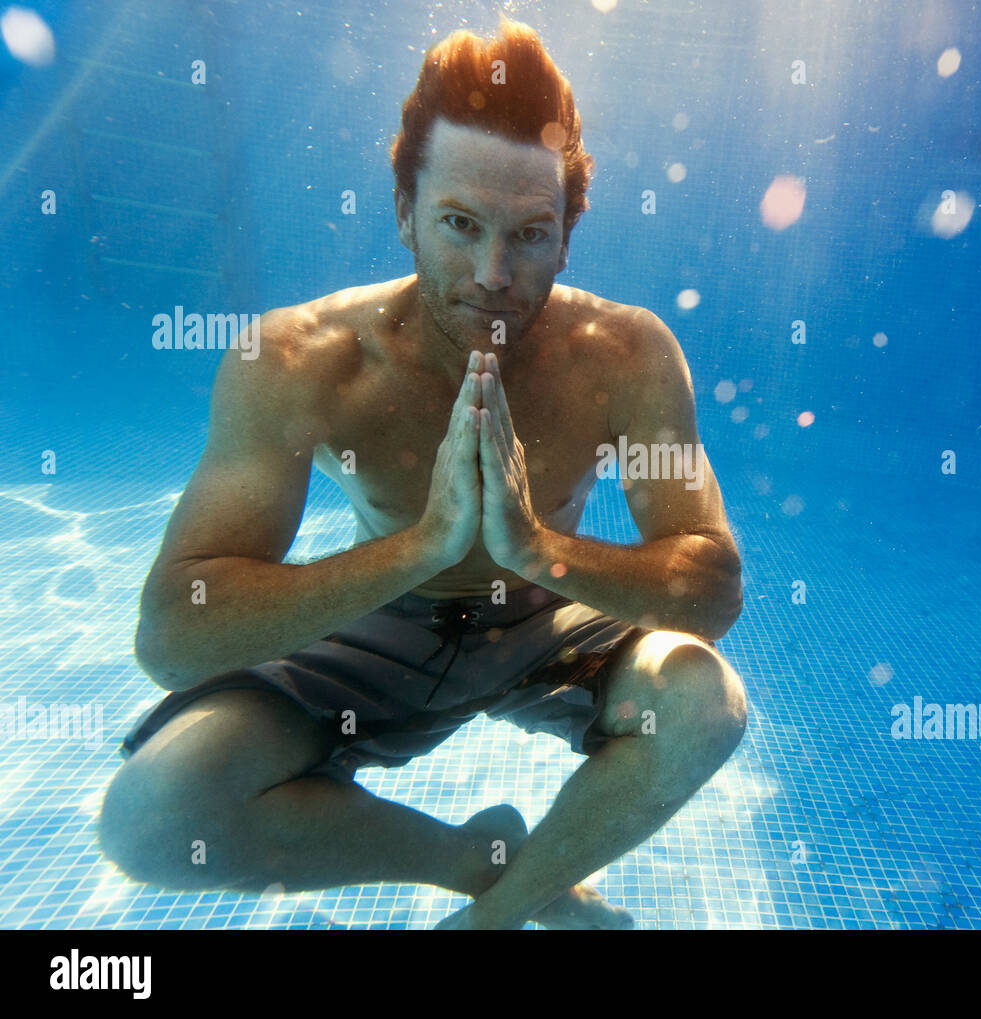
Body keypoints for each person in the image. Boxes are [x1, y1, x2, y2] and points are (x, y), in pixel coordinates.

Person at [97, 14, 746, 930]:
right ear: (403, 212)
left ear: (568, 234)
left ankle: (494, 918)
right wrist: (421, 547)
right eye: (458, 224)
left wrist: (538, 547)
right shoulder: (297, 359)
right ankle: (471, 860)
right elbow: (172, 637)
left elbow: (710, 588)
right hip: (381, 621)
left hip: (550, 613)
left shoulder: (628, 354)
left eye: (530, 233)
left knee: (706, 700)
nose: (493, 272)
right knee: (152, 817)